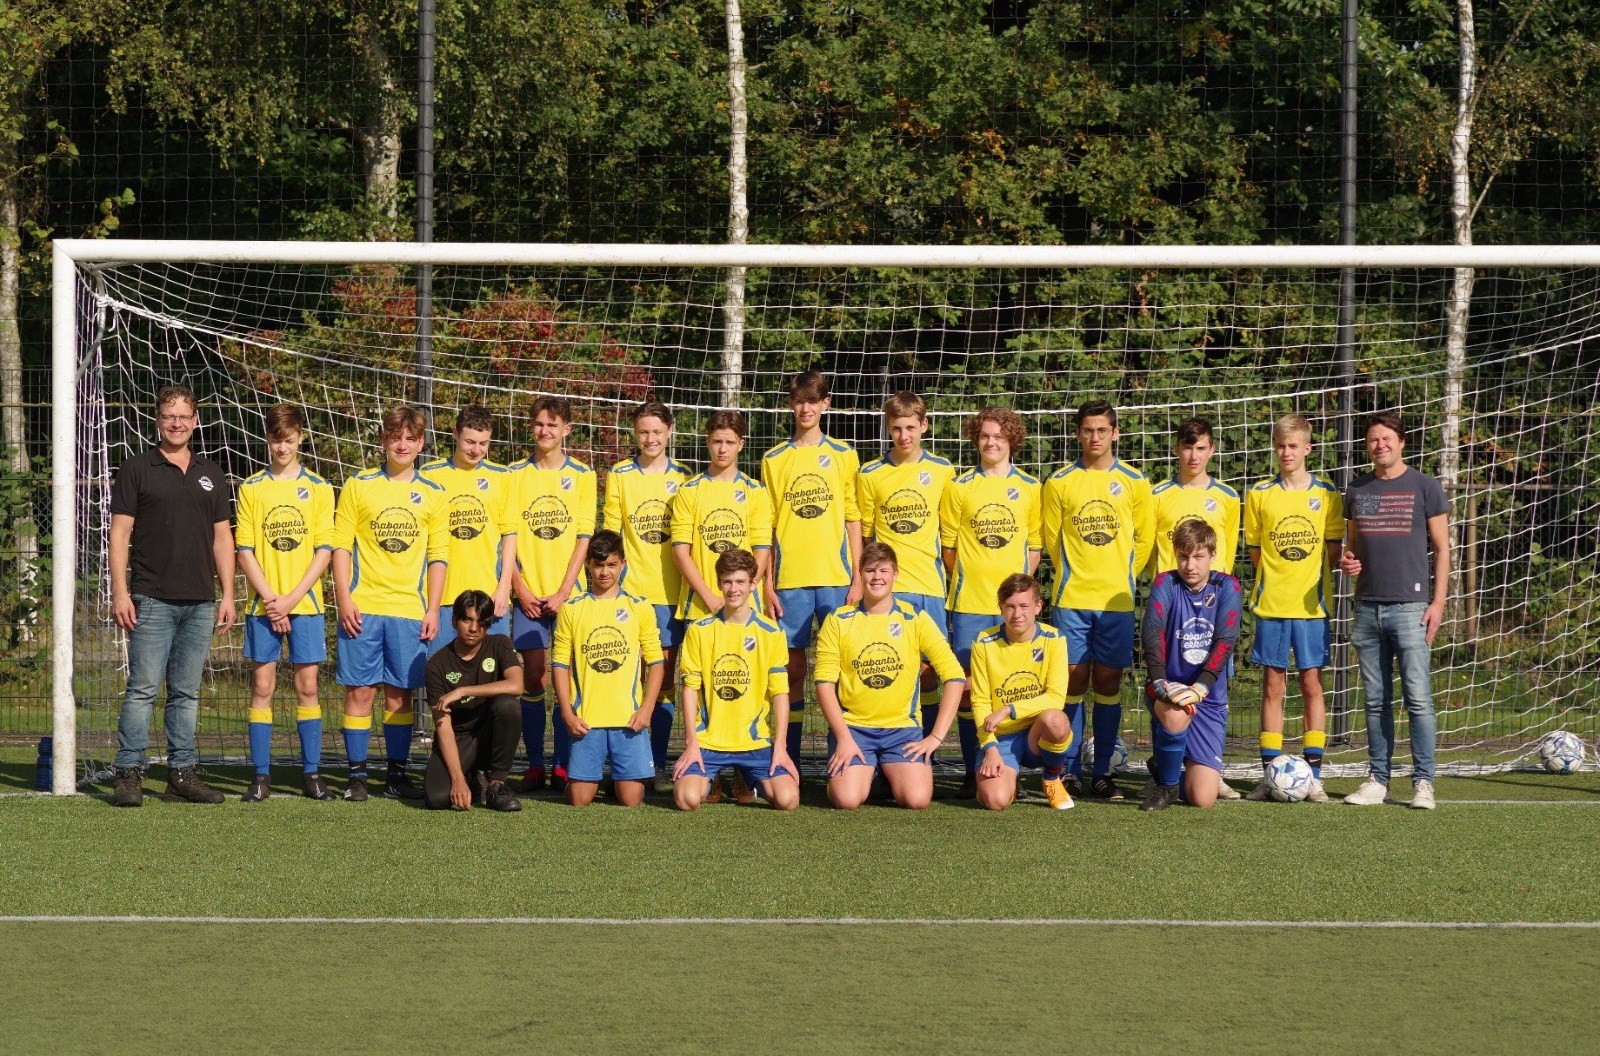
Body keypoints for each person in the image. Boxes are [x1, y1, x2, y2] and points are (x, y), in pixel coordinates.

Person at [107, 385, 237, 807]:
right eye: (169, 416)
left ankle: (181, 774)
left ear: (196, 421)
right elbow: (120, 534)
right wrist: (121, 592)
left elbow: (223, 539)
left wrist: (228, 595)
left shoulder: (212, 473)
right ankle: (128, 773)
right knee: (142, 688)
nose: (176, 423)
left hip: (200, 601)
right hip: (152, 598)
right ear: (158, 421)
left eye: (184, 415)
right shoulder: (136, 469)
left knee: (186, 692)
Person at [331, 405, 449, 801]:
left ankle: (396, 774)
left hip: (408, 610)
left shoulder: (434, 494)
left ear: (421, 443)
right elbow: (341, 546)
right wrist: (344, 598)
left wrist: (432, 608)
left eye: (411, 438)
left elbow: (438, 556)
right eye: (395, 437)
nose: (402, 444)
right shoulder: (358, 485)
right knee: (360, 692)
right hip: (362, 607)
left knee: (399, 695)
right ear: (384, 440)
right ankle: (357, 776)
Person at [1041, 399, 1154, 801]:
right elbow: (1052, 540)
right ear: (1078, 433)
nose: (1094, 437)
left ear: (1115, 433)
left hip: (1116, 602)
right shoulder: (1060, 482)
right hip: (1072, 597)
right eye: (1087, 430)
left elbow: (1143, 540)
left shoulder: (1135, 482)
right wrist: (1080, 571)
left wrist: (1119, 574)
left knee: (1108, 682)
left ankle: (1103, 770)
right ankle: (1068, 769)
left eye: (1102, 430)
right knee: (1071, 681)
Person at [1340, 411, 1450, 811]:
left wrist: (1437, 603)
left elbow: (1442, 550)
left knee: (1418, 699)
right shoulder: (1356, 489)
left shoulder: (1425, 487)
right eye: (1373, 439)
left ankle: (1423, 782)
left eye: (1387, 438)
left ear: (1401, 442)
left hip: (1411, 608)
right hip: (1367, 609)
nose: (1380, 445)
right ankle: (1378, 780)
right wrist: (1349, 563)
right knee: (1375, 700)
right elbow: (1352, 550)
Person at [814, 541, 966, 810]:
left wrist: (936, 737)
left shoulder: (915, 618)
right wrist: (844, 737)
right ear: (860, 574)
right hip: (854, 729)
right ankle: (859, 772)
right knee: (846, 800)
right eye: (870, 570)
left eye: (884, 570)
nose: (877, 577)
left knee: (917, 800)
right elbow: (824, 684)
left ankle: (884, 770)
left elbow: (954, 676)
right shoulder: (839, 620)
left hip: (902, 731)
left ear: (895, 575)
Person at [671, 409, 774, 803]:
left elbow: (762, 549)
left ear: (740, 445)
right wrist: (711, 596)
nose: (722, 448)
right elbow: (681, 550)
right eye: (716, 441)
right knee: (705, 687)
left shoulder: (755, 491)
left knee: (747, 682)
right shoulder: (690, 490)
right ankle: (708, 772)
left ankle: (743, 776)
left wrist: (742, 594)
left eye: (730, 442)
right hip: (703, 605)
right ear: (707, 442)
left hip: (744, 606)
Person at [762, 369, 863, 766]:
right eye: (799, 400)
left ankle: (846, 758)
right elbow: (765, 528)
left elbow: (853, 518)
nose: (805, 407)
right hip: (790, 581)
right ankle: (790, 759)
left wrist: (857, 576)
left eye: (813, 400)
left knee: (843, 671)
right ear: (791, 404)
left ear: (826, 404)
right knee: (792, 671)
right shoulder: (774, 459)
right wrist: (767, 584)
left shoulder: (843, 455)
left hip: (838, 580)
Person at [235, 403, 336, 802]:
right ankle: (261, 775)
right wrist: (271, 600)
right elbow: (245, 550)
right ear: (268, 438)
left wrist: (291, 599)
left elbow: (324, 550)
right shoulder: (251, 487)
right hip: (263, 605)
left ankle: (311, 773)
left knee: (307, 686)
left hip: (306, 603)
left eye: (290, 440)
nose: (282, 447)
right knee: (262, 686)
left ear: (300, 439)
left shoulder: (319, 487)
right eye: (277, 440)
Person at [939, 406, 1042, 793]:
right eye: (984, 436)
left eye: (999, 436)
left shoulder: (1031, 487)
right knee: (968, 689)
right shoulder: (959, 486)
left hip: (1012, 610)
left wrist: (1018, 596)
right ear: (975, 440)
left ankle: (1016, 764)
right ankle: (973, 768)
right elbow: (949, 549)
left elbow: (1034, 547)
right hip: (969, 603)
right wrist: (974, 579)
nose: (991, 442)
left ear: (1012, 439)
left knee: (1012, 687)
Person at [1242, 413, 1344, 803]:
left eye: (1293, 446)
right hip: (1271, 604)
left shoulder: (1328, 495)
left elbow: (1332, 552)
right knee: (1272, 687)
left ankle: (1313, 775)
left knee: (1311, 684)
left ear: (1308, 449)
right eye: (1280, 446)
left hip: (1312, 607)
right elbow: (1255, 551)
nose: (1286, 452)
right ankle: (1270, 774)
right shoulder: (1259, 494)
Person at [1147, 416, 1242, 801]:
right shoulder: (1157, 495)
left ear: (1211, 450)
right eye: (1187, 447)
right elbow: (1146, 548)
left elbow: (1231, 551)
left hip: (1212, 610)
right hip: (1171, 614)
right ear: (1176, 449)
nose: (1193, 455)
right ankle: (1168, 770)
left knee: (1202, 799)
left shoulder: (1228, 497)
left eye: (1201, 447)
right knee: (1171, 710)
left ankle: (1203, 765)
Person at [507, 396, 597, 792]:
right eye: (539, 423)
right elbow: (503, 537)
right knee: (534, 678)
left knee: (569, 679)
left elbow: (584, 538)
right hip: (526, 596)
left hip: (569, 598)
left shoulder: (582, 475)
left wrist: (564, 590)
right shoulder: (512, 475)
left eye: (553, 424)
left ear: (567, 430)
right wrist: (520, 588)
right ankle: (534, 764)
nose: (545, 430)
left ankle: (564, 763)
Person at [603, 401, 694, 790]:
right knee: (628, 678)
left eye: (657, 432)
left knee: (664, 681)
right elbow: (610, 535)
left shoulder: (687, 478)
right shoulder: (620, 474)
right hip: (632, 597)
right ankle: (625, 762)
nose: (651, 439)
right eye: (643, 432)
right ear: (634, 434)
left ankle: (654, 762)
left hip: (672, 595)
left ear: (670, 432)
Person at [856, 391, 956, 739]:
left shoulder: (943, 471)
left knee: (929, 674)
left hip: (929, 585)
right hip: (889, 591)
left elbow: (950, 534)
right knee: (889, 669)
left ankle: (922, 752)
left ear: (924, 426)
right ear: (888, 429)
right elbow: (867, 538)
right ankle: (887, 755)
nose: (904, 436)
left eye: (911, 427)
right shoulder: (870, 474)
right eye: (897, 428)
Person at [673, 548, 800, 811]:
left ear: (754, 583)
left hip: (754, 742)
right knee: (687, 800)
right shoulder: (699, 630)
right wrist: (691, 744)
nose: (733, 589)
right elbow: (689, 689)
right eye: (728, 581)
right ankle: (713, 776)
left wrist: (781, 748)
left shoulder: (771, 633)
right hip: (708, 741)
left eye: (740, 581)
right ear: (719, 582)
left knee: (788, 800)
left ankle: (745, 776)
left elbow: (780, 694)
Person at [551, 529, 664, 807]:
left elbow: (657, 663)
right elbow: (560, 664)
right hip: (587, 720)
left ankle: (621, 780)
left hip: (628, 720)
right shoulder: (572, 609)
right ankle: (581, 781)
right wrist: (567, 712)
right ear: (588, 563)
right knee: (580, 800)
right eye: (599, 565)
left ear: (623, 564)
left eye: (611, 564)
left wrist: (646, 709)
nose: (604, 572)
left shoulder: (639, 607)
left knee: (632, 800)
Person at [1140, 521, 1245, 811]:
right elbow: (1153, 633)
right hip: (1168, 685)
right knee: (1175, 714)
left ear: (1212, 555)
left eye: (1198, 556)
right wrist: (1160, 681)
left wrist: (1201, 687)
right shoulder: (1166, 583)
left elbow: (1225, 640)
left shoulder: (1228, 586)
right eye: (1183, 556)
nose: (1190, 565)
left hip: (1208, 696)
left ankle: (1165, 763)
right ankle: (1166, 787)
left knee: (1203, 799)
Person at [969, 574, 1076, 811]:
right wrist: (990, 748)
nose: (1017, 614)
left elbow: (1056, 698)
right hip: (1002, 737)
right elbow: (979, 702)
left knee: (1056, 721)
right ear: (1000, 608)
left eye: (1024, 606)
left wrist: (1008, 709)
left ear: (1038, 606)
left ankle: (1051, 778)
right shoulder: (984, 642)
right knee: (995, 801)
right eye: (1010, 607)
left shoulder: (1054, 639)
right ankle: (1009, 782)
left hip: (1036, 735)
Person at [420, 404, 518, 651]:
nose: (476, 450)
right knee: (443, 677)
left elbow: (510, 535)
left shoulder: (503, 477)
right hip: (442, 597)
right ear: (455, 434)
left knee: (492, 678)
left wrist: (504, 585)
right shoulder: (430, 475)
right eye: (470, 442)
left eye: (483, 444)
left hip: (490, 597)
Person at [423, 590, 525, 812]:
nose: (473, 628)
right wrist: (457, 778)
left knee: (508, 705)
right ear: (454, 620)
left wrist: (463, 690)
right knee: (438, 798)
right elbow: (443, 725)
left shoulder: (499, 644)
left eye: (481, 622)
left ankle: (497, 785)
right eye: (466, 619)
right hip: (458, 737)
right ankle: (471, 776)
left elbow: (517, 685)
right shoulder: (436, 665)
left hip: (489, 730)